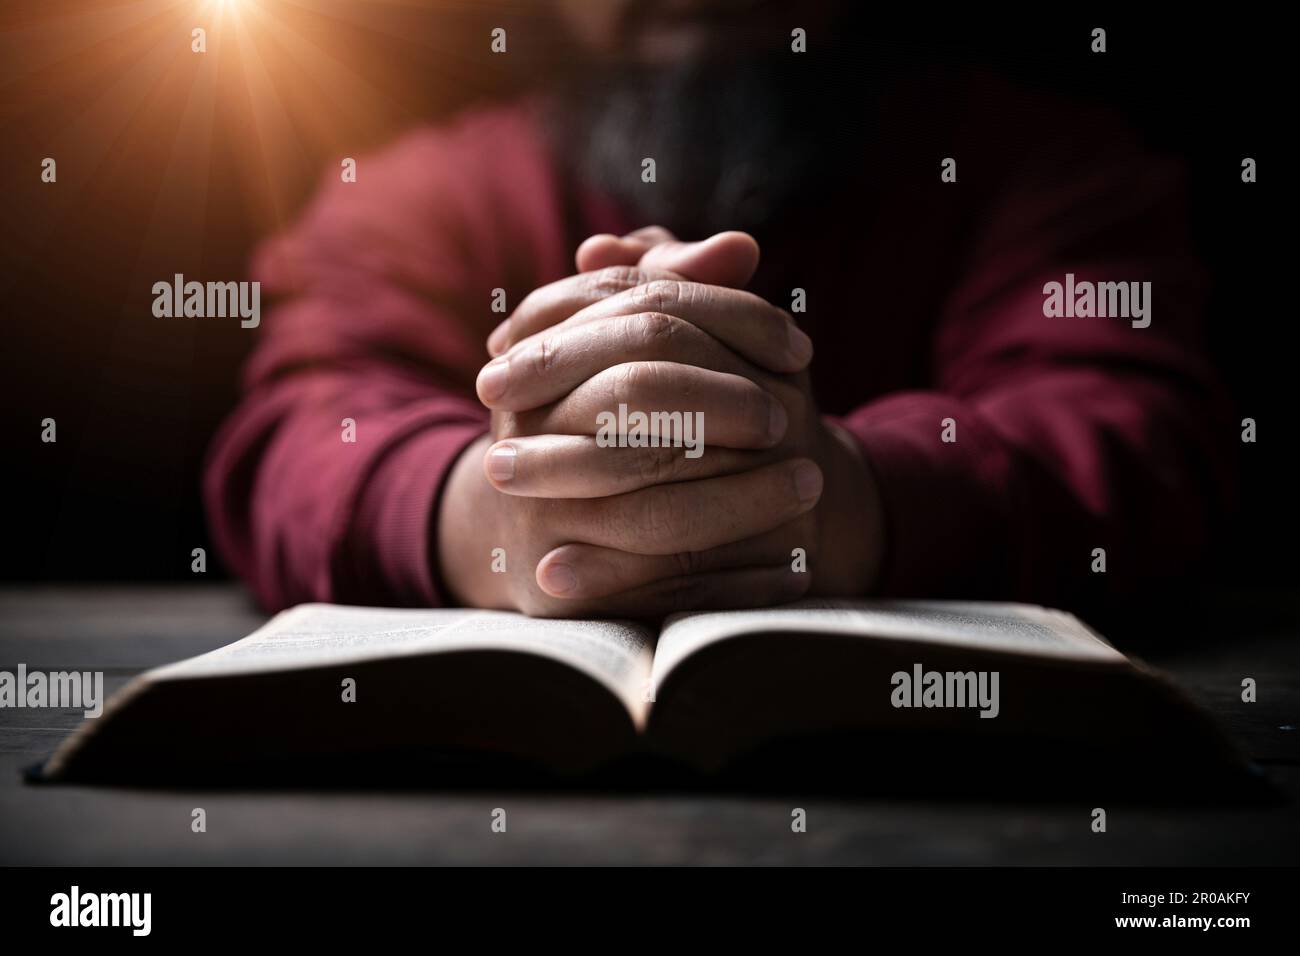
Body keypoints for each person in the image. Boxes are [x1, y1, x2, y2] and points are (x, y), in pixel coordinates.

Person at [204, 0, 1233, 618]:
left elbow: (1132, 432)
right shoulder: (408, 197)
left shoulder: (1044, 170)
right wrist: (492, 506)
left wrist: (838, 496)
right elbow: (297, 435)